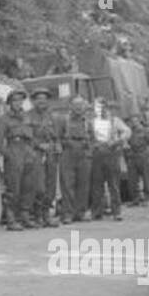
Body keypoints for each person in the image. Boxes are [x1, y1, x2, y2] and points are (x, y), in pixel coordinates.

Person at [0, 89, 42, 231]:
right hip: (14, 151)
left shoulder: (27, 117)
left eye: (20, 100)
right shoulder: (4, 119)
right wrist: (8, 155)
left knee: (28, 186)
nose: (18, 103)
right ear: (9, 103)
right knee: (13, 188)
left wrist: (32, 151)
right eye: (15, 101)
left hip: (27, 151)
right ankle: (11, 219)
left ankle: (25, 216)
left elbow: (34, 136)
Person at [88, 97, 131, 220]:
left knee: (114, 185)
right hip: (97, 156)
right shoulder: (91, 122)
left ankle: (116, 212)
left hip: (111, 155)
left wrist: (118, 140)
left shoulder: (114, 120)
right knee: (97, 185)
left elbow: (127, 131)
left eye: (102, 107)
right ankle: (97, 212)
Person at [57, 95, 93, 223]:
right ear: (70, 106)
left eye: (81, 105)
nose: (78, 108)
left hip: (84, 153)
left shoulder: (88, 122)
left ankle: (81, 212)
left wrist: (89, 149)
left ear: (84, 107)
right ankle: (68, 214)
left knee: (83, 184)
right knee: (67, 185)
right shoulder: (64, 120)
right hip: (68, 153)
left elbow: (94, 138)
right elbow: (57, 137)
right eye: (76, 105)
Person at [28, 88, 61, 227]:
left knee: (51, 186)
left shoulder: (51, 116)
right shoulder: (28, 116)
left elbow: (55, 134)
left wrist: (57, 144)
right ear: (34, 101)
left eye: (44, 98)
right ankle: (37, 216)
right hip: (35, 154)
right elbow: (26, 136)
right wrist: (38, 145)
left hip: (50, 154)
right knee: (39, 187)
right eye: (39, 98)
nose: (42, 101)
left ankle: (46, 214)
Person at [126, 114, 149, 205]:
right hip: (133, 157)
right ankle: (135, 199)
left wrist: (148, 154)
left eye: (135, 121)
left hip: (143, 156)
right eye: (131, 121)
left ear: (139, 121)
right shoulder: (129, 131)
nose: (133, 122)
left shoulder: (145, 131)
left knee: (146, 179)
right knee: (132, 180)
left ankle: (147, 198)